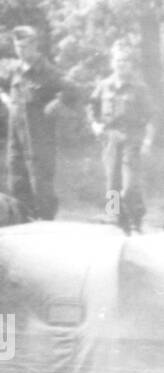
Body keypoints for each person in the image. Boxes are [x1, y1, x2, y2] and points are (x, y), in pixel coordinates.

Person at [0, 26, 78, 220]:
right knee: (17, 180)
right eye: (17, 46)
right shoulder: (14, 69)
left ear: (35, 46)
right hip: (16, 135)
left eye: (24, 46)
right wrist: (5, 99)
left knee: (40, 182)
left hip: (39, 136)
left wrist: (56, 103)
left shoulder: (47, 71)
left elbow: (72, 89)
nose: (20, 51)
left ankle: (46, 224)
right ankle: (24, 223)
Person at [88, 41, 156, 234]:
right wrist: (95, 124)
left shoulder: (139, 87)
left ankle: (135, 220)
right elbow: (91, 106)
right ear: (112, 62)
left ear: (131, 64)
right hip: (109, 139)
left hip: (131, 139)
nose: (121, 64)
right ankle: (114, 219)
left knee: (129, 184)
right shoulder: (104, 85)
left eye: (126, 60)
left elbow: (151, 116)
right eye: (118, 60)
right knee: (112, 181)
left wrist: (148, 141)